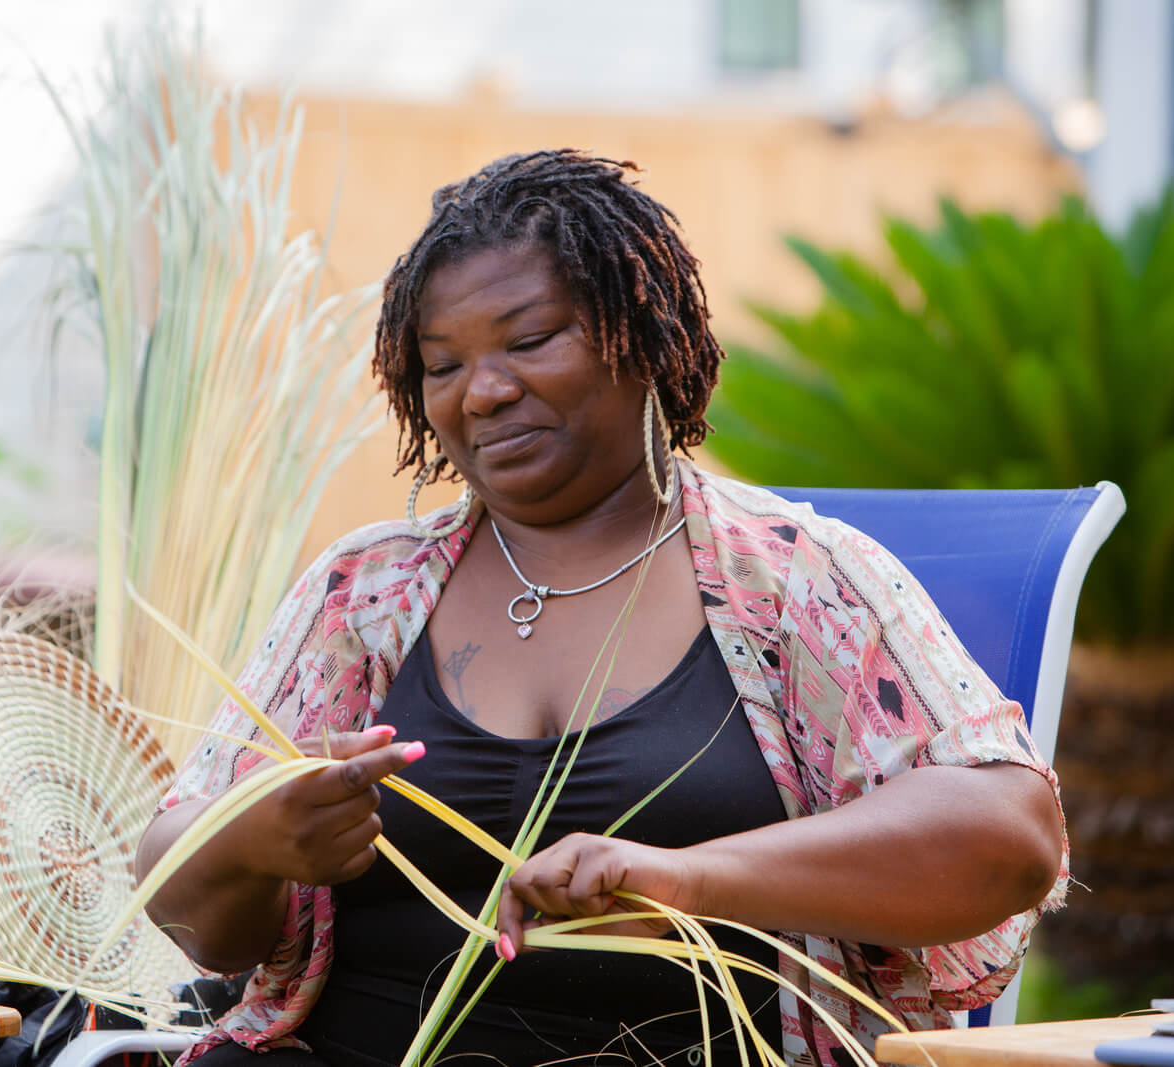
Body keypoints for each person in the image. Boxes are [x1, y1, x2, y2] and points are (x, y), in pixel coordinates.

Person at [135, 150, 1068, 1067]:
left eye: (530, 340)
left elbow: (1010, 833)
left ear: (642, 335)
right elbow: (186, 906)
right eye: (443, 365)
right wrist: (256, 834)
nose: (485, 391)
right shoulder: (360, 595)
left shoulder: (795, 579)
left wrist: (686, 878)